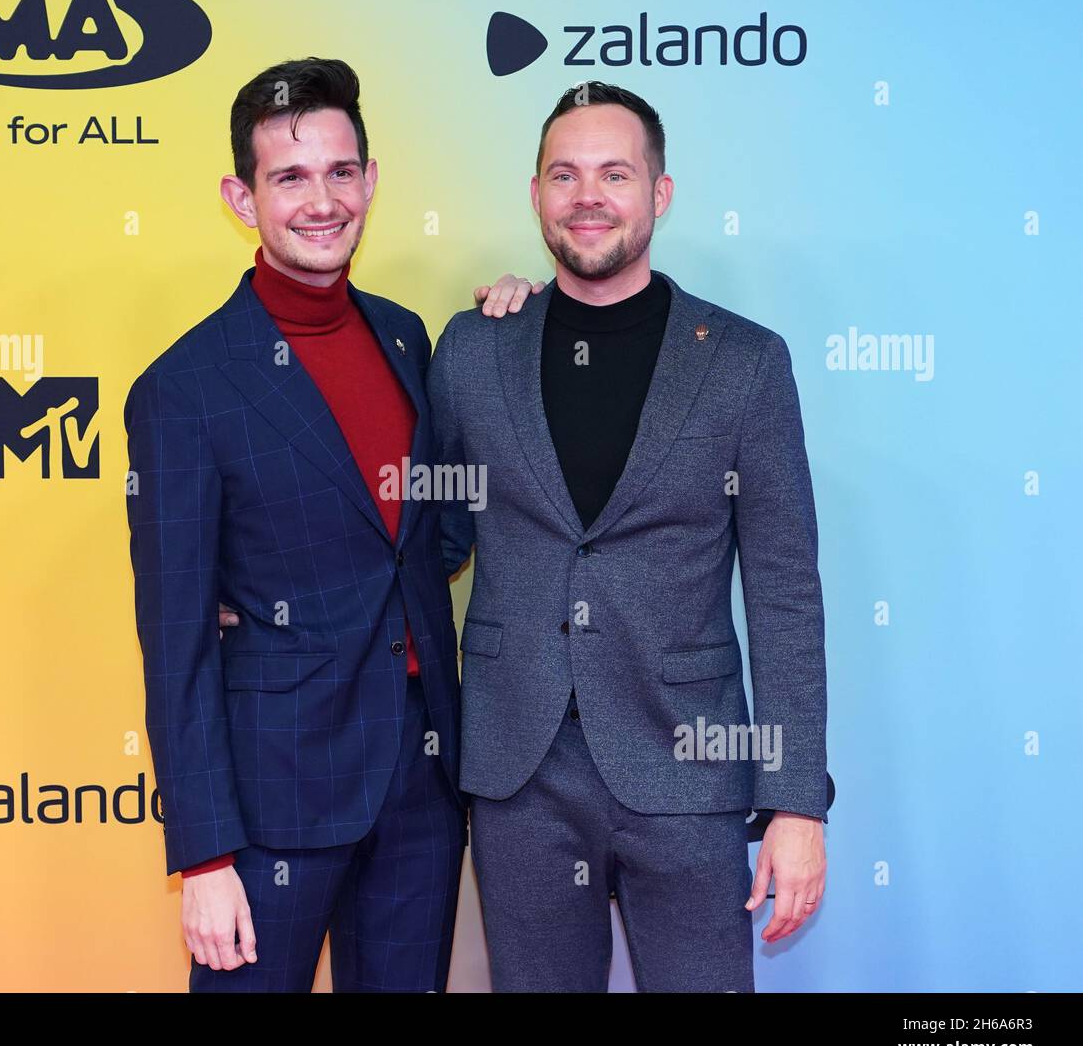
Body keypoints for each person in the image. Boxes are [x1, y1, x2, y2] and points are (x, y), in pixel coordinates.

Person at [123, 56, 534, 991]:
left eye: (341, 171)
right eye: (290, 177)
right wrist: (204, 858)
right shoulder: (183, 389)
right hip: (271, 805)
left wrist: (523, 332)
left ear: (372, 181)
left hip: (423, 788)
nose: (322, 200)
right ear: (242, 196)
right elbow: (176, 641)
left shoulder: (403, 337)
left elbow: (427, 542)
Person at [427, 81, 830, 992]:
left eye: (616, 172)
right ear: (534, 195)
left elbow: (784, 590)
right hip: (519, 772)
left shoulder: (744, 362)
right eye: (564, 174)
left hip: (689, 764)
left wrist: (798, 800)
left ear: (661, 192)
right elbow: (431, 539)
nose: (589, 195)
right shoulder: (473, 349)